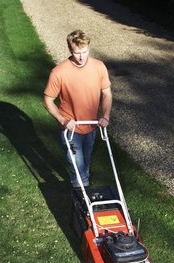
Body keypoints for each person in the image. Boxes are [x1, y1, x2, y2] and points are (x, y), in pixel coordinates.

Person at [43, 30, 112, 187]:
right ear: (70, 49)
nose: (82, 57)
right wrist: (63, 120)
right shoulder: (59, 72)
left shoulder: (99, 67)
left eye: (85, 51)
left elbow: (106, 93)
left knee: (85, 164)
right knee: (78, 169)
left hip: (91, 126)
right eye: (77, 53)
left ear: (89, 47)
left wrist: (105, 116)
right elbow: (47, 100)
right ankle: (81, 197)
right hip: (71, 130)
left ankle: (83, 192)